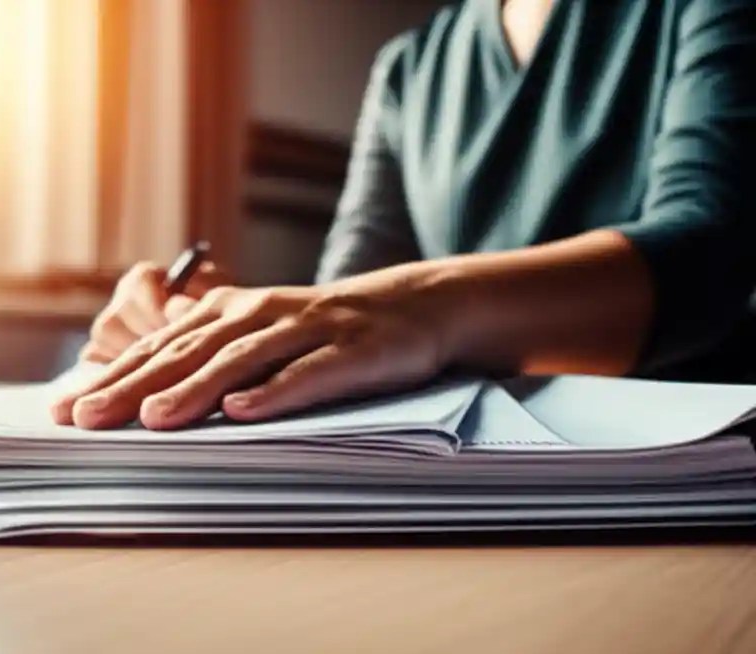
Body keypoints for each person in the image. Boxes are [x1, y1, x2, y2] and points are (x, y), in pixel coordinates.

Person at [51, 0, 755, 431]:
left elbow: (710, 260)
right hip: (468, 494)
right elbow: (352, 301)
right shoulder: (409, 70)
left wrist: (423, 311)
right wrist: (209, 332)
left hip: (691, 495)